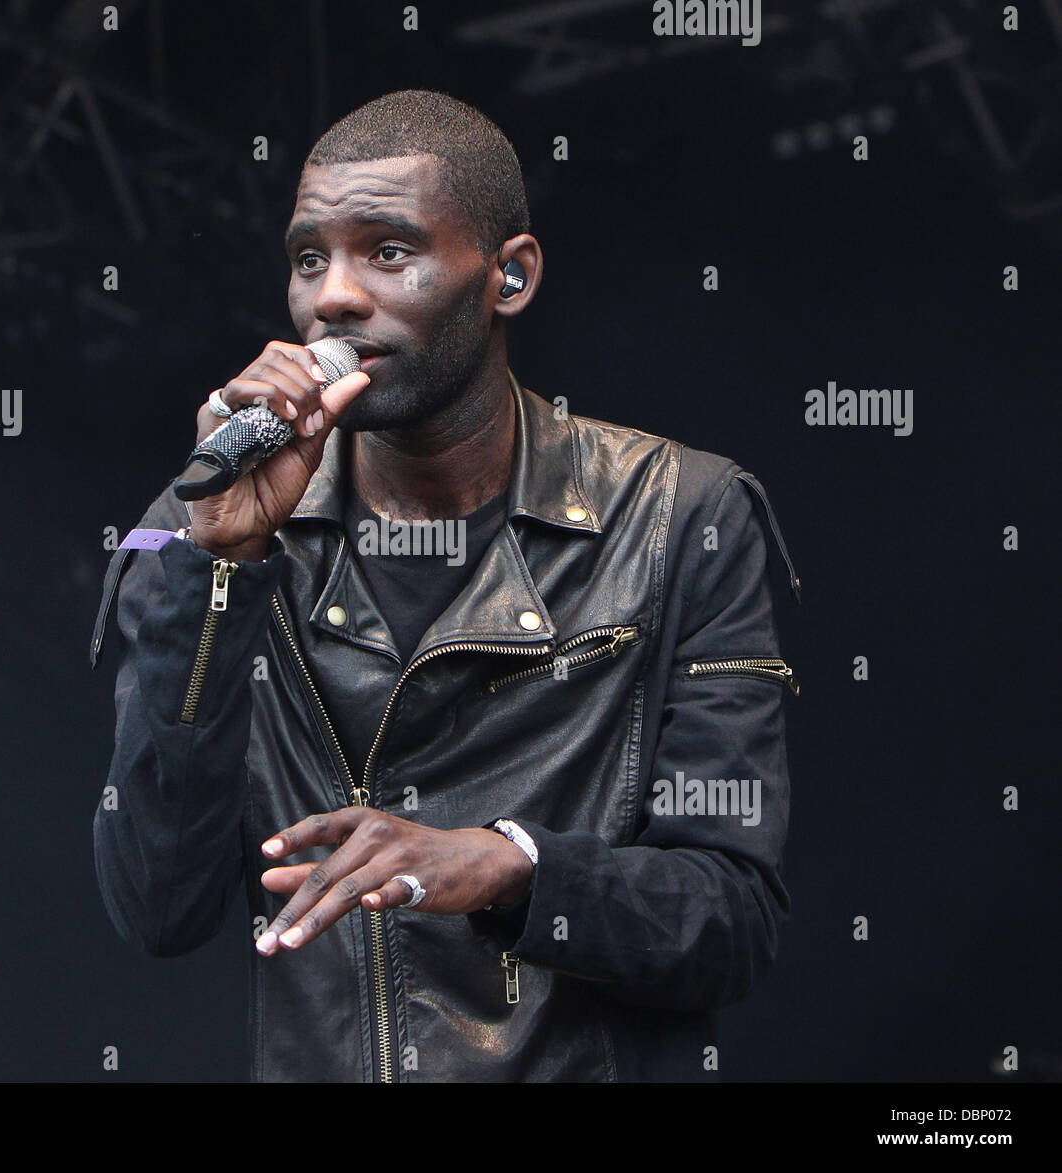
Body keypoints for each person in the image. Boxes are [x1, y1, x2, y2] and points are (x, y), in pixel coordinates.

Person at [90, 89, 801, 1082]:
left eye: (386, 250)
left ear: (507, 275)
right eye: (308, 258)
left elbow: (727, 920)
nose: (332, 295)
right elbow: (156, 905)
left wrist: (506, 865)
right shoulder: (200, 522)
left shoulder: (679, 513)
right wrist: (218, 569)